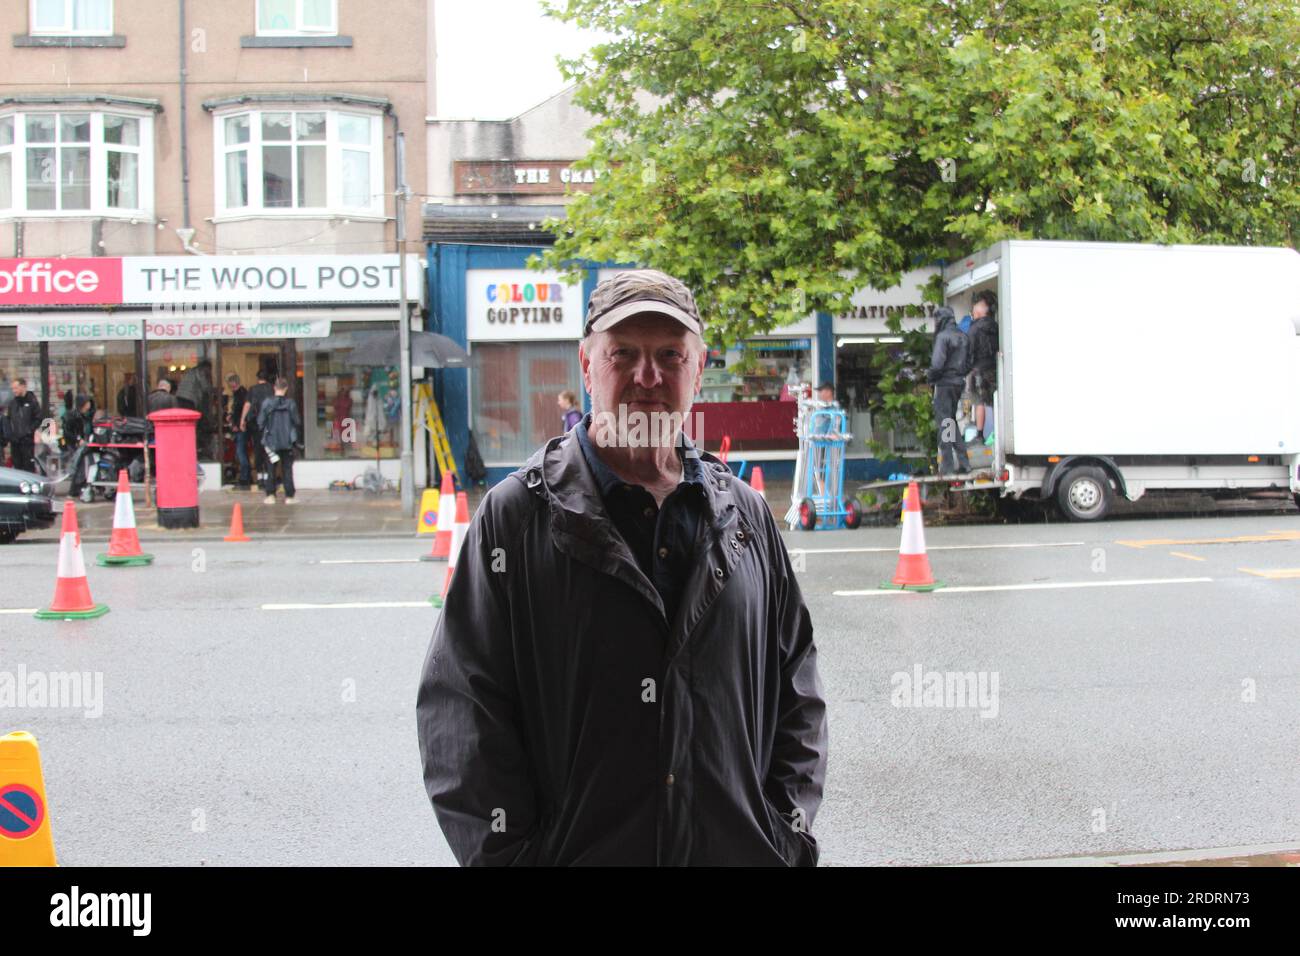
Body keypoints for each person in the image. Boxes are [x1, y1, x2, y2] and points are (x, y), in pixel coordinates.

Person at [417, 268, 828, 866]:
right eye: (624, 354)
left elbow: (799, 690)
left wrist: (783, 839)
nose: (647, 377)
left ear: (699, 366)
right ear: (586, 365)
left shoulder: (745, 517)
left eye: (669, 354)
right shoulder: (518, 517)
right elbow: (461, 712)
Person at [927, 305, 972, 476]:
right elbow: (969, 362)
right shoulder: (963, 336)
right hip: (958, 383)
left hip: (944, 384)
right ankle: (964, 462)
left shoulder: (943, 337)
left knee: (945, 423)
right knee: (951, 422)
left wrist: (930, 377)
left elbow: (937, 364)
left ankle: (947, 466)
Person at [256, 377, 301, 504]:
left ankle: (270, 495)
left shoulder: (266, 402)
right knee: (287, 469)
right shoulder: (291, 403)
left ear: (274, 388)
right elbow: (297, 421)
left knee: (271, 469)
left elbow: (260, 422)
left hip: (271, 442)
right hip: (287, 441)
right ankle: (289, 496)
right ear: (286, 389)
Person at [968, 290, 999, 443]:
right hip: (994, 368)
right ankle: (997, 432)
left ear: (982, 308)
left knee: (979, 401)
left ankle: (980, 435)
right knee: (994, 401)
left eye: (976, 306)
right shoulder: (995, 326)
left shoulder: (975, 328)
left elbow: (970, 349)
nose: (974, 310)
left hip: (978, 369)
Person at [243, 370, 275, 488]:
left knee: (258, 449)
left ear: (258, 378)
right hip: (270, 424)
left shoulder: (253, 389)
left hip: (256, 425)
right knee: (268, 450)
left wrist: (242, 420)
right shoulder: (272, 389)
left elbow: (247, 405)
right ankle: (268, 477)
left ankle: (260, 477)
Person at [5, 378, 43, 473]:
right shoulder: (12, 403)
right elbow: (8, 420)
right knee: (17, 468)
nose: (14, 391)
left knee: (28, 468)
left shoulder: (32, 401)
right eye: (12, 388)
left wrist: (29, 431)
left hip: (27, 442)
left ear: (23, 386)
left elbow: (38, 418)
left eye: (16, 388)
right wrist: (10, 435)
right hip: (15, 443)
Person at [225, 373, 251, 488]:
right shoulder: (240, 393)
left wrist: (236, 423)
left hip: (240, 428)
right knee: (241, 452)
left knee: (240, 452)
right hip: (240, 427)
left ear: (234, 383)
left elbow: (240, 411)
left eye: (231, 385)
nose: (230, 387)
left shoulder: (240, 394)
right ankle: (246, 476)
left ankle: (245, 477)